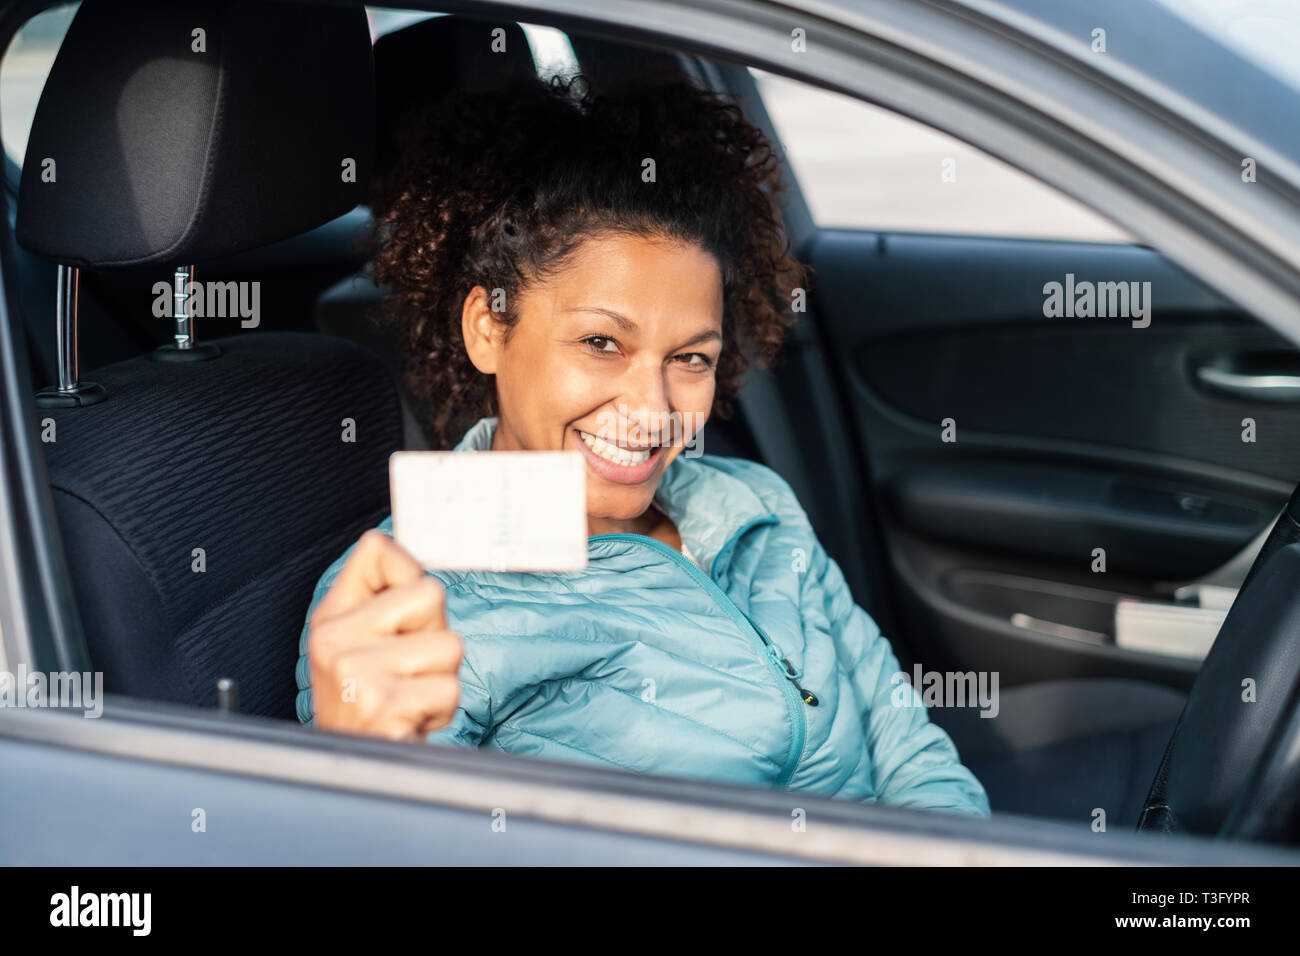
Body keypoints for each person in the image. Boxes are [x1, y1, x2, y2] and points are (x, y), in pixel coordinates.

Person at [295, 75, 990, 817]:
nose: (652, 409)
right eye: (601, 342)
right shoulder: (407, 607)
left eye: (690, 357)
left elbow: (909, 751)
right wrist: (370, 773)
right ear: (488, 329)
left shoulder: (752, 503)